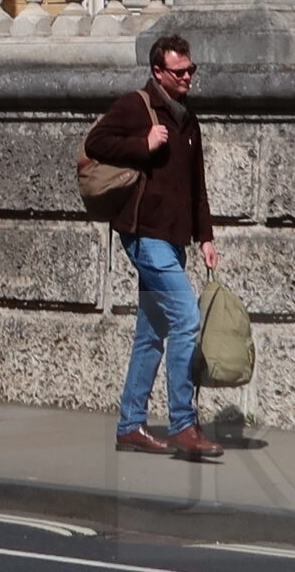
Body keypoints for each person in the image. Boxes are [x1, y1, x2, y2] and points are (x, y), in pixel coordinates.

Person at [83, 36, 221, 460]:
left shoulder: (188, 120)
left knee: (152, 334)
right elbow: (96, 143)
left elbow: (196, 186)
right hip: (143, 234)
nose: (187, 78)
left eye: (191, 71)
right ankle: (183, 422)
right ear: (158, 72)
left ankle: (130, 426)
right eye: (179, 72)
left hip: (175, 238)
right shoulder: (136, 105)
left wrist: (206, 237)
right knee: (186, 318)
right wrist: (143, 144)